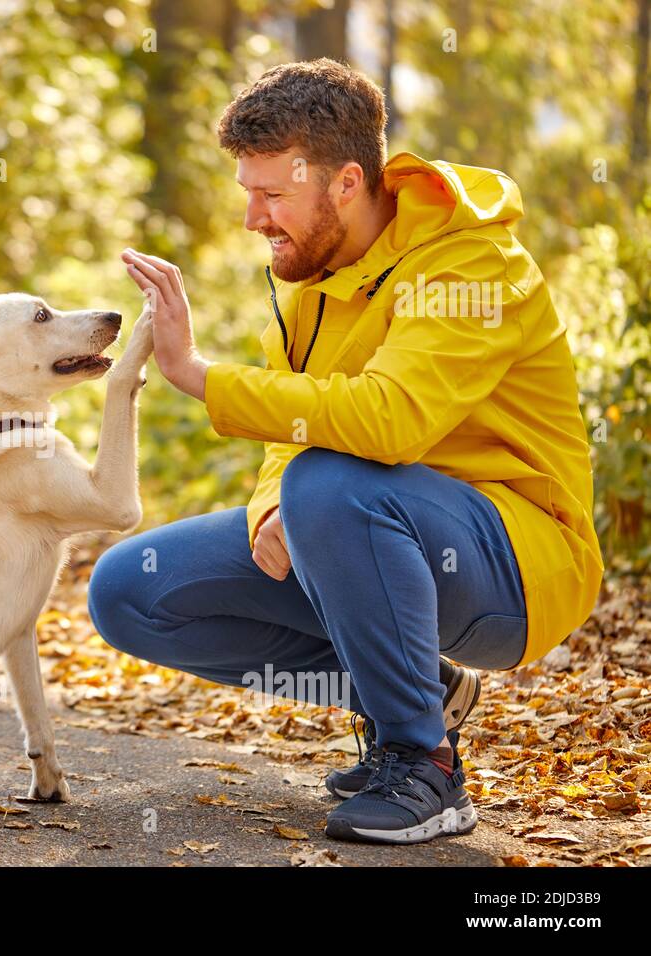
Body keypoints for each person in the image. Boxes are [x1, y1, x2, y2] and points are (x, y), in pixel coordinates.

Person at [87, 59, 603, 845]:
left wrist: (198, 376)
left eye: (272, 195)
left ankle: (423, 764)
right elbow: (290, 437)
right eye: (247, 193)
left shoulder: (471, 266)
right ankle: (416, 691)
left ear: (346, 183)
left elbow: (391, 421)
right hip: (369, 535)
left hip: (515, 563)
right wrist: (272, 509)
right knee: (129, 591)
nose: (253, 218)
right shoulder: (310, 284)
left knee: (332, 484)